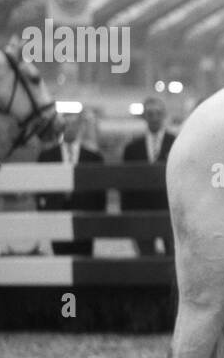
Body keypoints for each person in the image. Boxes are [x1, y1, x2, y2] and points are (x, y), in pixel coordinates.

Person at [36, 112, 105, 257]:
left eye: (73, 124)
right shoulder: (46, 156)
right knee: (60, 257)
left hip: (85, 217)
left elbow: (100, 193)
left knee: (85, 258)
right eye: (65, 125)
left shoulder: (94, 158)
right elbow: (39, 190)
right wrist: (43, 213)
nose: (69, 128)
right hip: (56, 215)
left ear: (80, 127)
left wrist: (99, 218)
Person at [122, 95, 176, 255]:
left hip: (169, 213)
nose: (154, 118)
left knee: (172, 260)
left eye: (158, 113)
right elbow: (126, 185)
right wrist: (127, 215)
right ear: (144, 116)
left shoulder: (175, 143)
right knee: (145, 259)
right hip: (141, 212)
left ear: (164, 115)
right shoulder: (132, 148)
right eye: (150, 113)